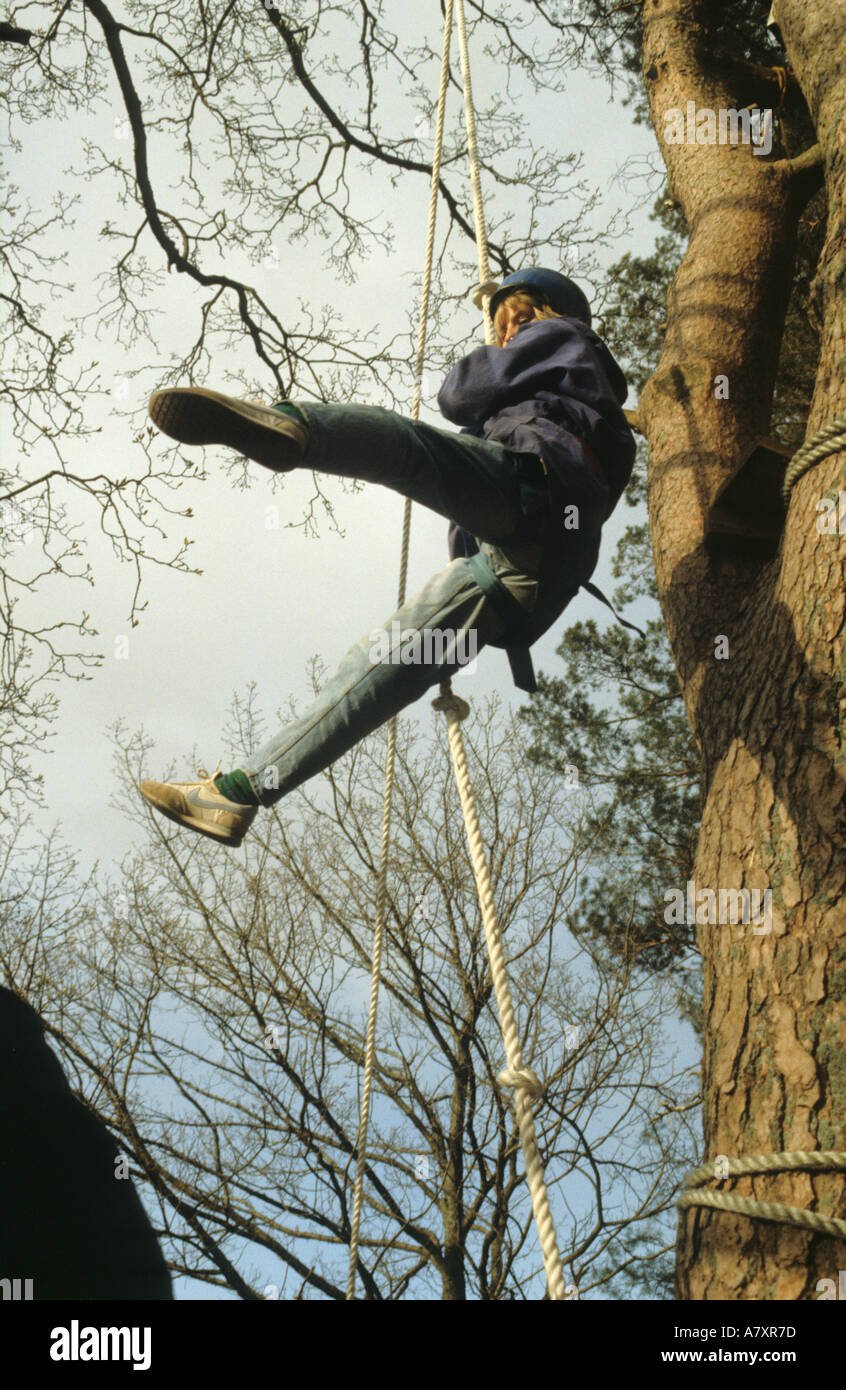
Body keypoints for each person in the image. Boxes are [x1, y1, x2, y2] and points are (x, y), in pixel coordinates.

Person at [138, 268, 636, 847]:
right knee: (380, 665)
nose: (510, 330)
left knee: (406, 446)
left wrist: (496, 357)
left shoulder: (569, 342)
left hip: (534, 499)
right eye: (503, 325)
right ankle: (238, 793)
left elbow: (460, 392)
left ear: (556, 313)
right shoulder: (581, 399)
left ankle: (293, 427)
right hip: (520, 573)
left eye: (522, 315)